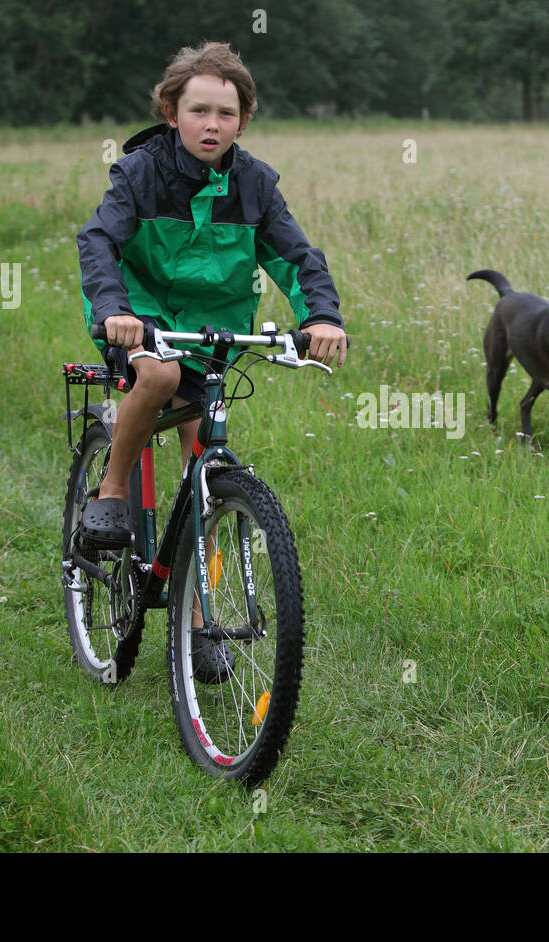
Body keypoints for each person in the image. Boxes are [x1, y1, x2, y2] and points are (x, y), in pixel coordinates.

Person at [76, 41, 347, 680]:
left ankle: (196, 623)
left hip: (214, 335)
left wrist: (322, 317)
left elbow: (296, 259)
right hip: (139, 323)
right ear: (172, 113)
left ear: (242, 121)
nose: (211, 125)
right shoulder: (139, 173)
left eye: (226, 114)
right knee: (162, 376)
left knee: (206, 460)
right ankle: (112, 490)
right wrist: (115, 309)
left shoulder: (255, 185)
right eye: (198, 111)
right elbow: (99, 242)